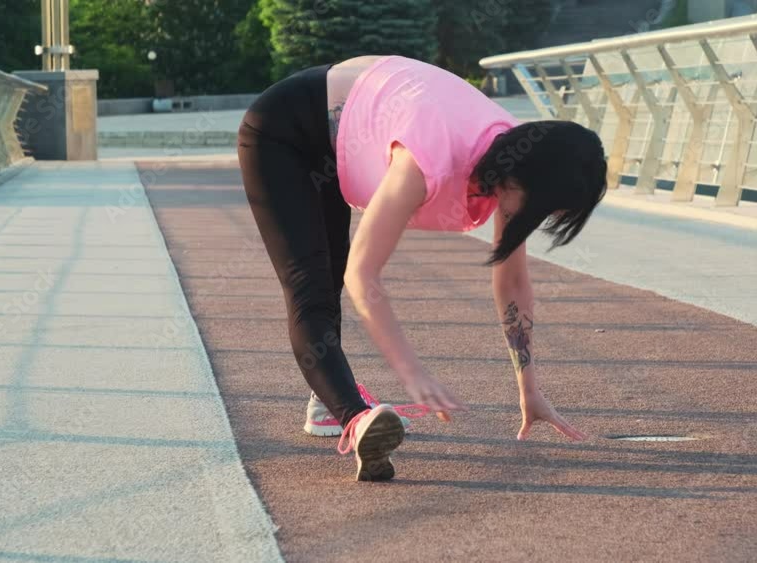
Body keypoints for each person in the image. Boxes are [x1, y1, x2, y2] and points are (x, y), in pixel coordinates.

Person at [236, 55, 607, 482]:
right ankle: (356, 419)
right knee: (312, 288)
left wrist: (530, 390)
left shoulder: (516, 161)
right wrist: (412, 374)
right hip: (283, 131)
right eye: (544, 208)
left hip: (342, 132)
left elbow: (513, 281)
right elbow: (363, 273)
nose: (539, 219)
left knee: (330, 272)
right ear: (524, 180)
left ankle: (327, 399)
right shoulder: (431, 154)